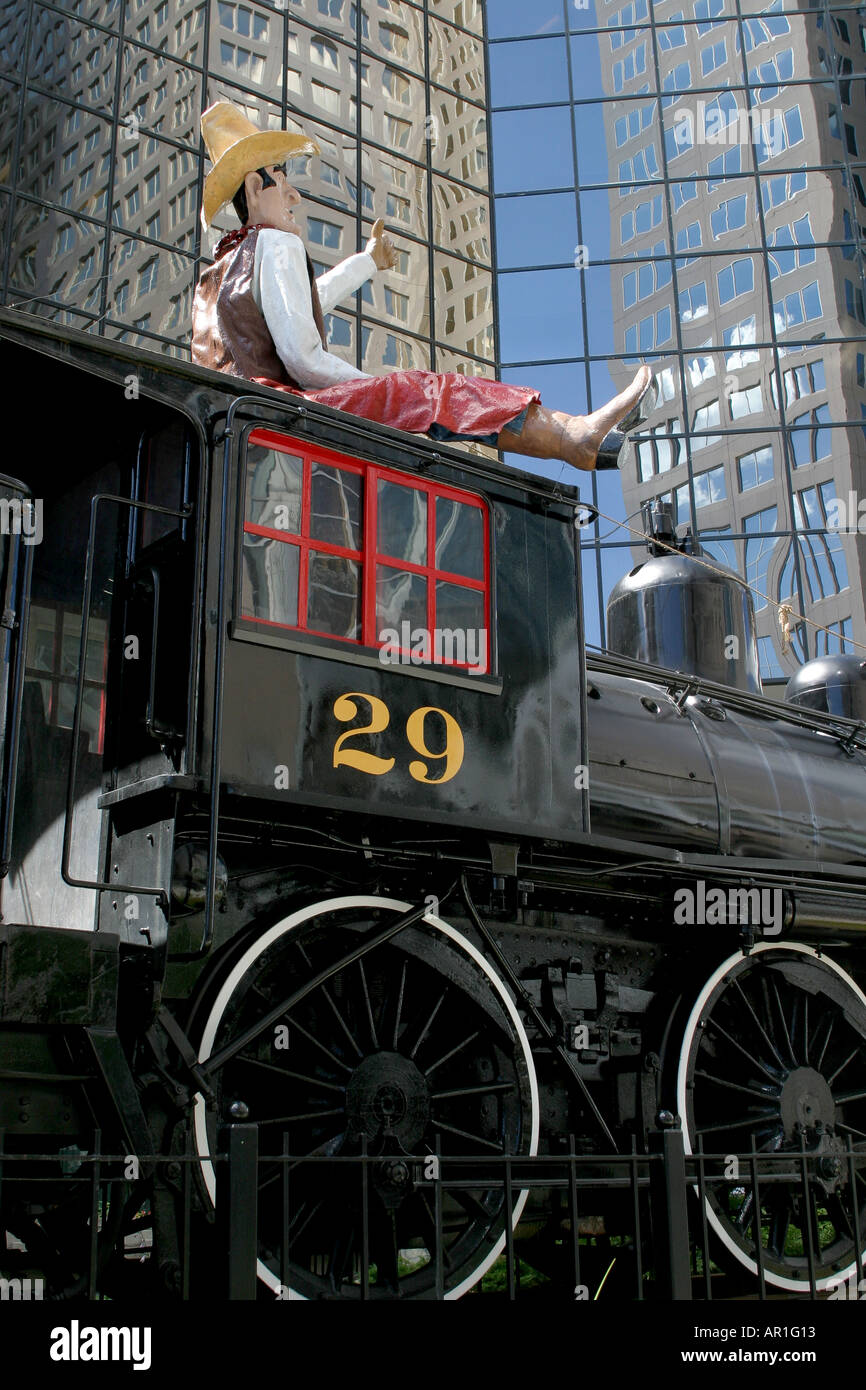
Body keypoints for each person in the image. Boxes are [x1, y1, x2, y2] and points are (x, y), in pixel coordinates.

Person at [192, 102, 655, 470]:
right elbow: (301, 357)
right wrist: (388, 391)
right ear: (255, 187)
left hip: (242, 419)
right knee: (434, 393)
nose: (294, 195)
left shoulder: (219, 271)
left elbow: (299, 306)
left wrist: (366, 263)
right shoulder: (275, 243)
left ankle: (576, 437)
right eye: (281, 178)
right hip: (282, 409)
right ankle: (574, 437)